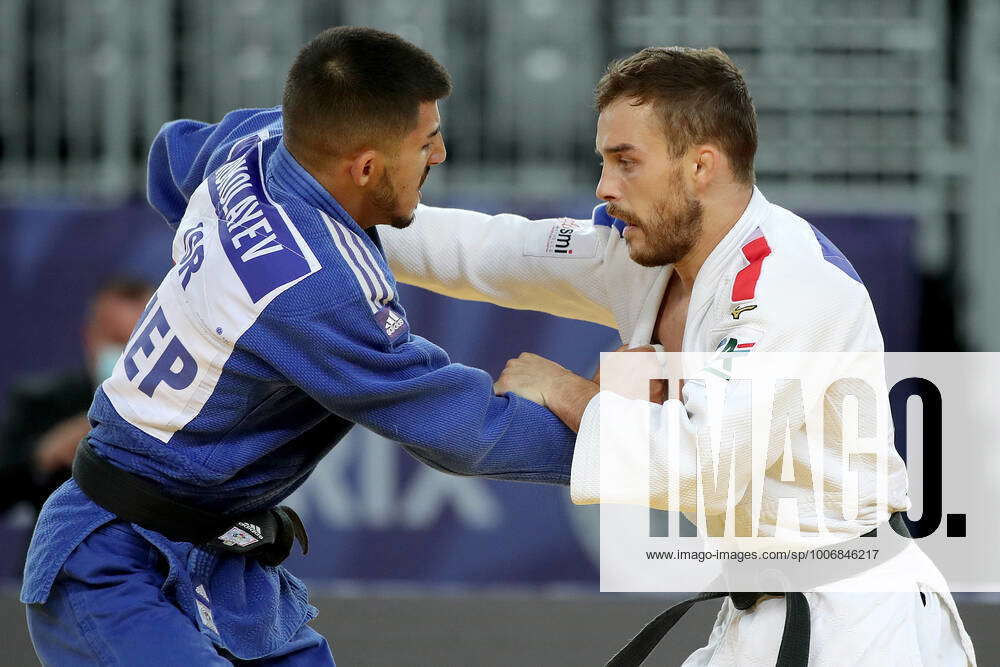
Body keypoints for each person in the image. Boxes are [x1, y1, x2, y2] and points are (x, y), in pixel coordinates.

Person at [379, 47, 977, 665]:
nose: (604, 186)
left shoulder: (788, 284)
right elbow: (487, 250)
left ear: (700, 166)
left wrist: (567, 391)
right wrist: (346, 213)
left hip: (859, 625)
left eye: (626, 162)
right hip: (764, 602)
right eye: (604, 161)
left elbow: (705, 466)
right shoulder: (650, 256)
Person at [21, 27, 578, 665]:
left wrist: (217, 270)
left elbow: (171, 152)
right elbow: (464, 429)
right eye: (426, 143)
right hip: (115, 561)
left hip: (223, 564)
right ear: (365, 167)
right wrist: (630, 447)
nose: (441, 154)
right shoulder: (315, 287)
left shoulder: (259, 144)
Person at [0, 278, 153, 517]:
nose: (126, 352)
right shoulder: (42, 401)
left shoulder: (186, 409)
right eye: (117, 340)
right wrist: (42, 455)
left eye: (137, 340)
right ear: (89, 337)